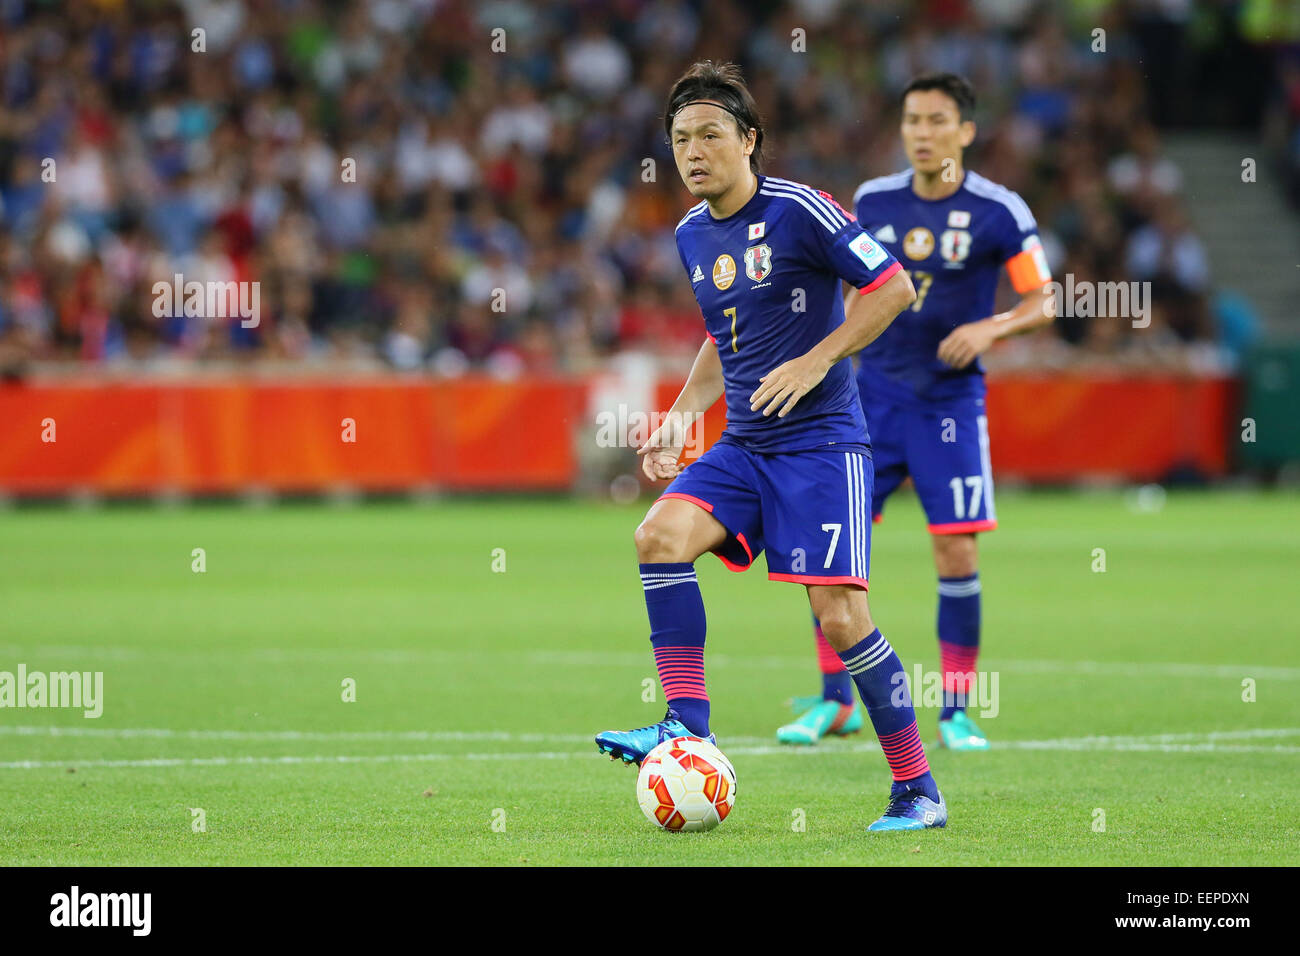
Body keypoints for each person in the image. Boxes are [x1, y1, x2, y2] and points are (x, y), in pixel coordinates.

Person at [594, 61, 946, 831]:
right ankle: (686, 724)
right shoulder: (691, 234)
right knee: (657, 535)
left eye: (711, 135)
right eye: (681, 138)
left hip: (823, 446)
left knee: (841, 615)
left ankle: (918, 789)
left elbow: (889, 288)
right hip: (747, 443)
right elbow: (727, 337)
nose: (694, 152)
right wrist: (686, 410)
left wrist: (819, 357)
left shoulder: (801, 210)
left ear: (749, 140)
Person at [777, 73, 1054, 750]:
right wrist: (821, 357)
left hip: (949, 404)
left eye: (936, 121)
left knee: (954, 548)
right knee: (829, 551)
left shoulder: (999, 210)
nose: (922, 134)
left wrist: (991, 330)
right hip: (868, 400)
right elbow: (847, 289)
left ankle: (955, 710)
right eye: (912, 121)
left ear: (966, 131)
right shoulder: (874, 199)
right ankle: (834, 702)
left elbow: (1043, 300)